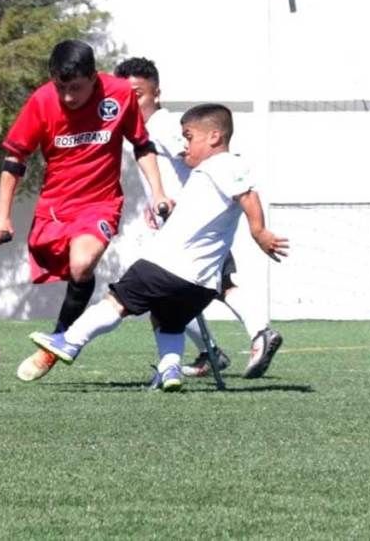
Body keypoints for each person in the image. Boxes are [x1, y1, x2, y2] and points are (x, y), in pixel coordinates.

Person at [25, 103, 290, 391]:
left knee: (116, 303)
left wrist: (259, 231)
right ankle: (169, 369)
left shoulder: (224, 163)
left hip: (165, 267)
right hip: (202, 285)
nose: (185, 145)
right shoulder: (209, 172)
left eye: (189, 137)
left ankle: (70, 340)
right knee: (169, 321)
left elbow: (247, 194)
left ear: (214, 137)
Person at [0, 40, 173, 382]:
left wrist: (157, 193)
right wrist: (2, 213)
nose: (69, 97)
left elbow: (141, 145)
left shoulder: (119, 94)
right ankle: (61, 338)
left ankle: (59, 340)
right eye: (62, 87)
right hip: (55, 207)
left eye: (76, 88)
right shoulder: (42, 101)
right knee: (66, 265)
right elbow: (15, 158)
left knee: (82, 263)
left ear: (94, 78)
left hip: (100, 203)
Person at [114, 57, 285, 379]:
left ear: (157, 93)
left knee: (220, 284)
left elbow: (198, 156)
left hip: (194, 227)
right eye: (123, 95)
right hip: (176, 228)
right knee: (168, 297)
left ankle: (259, 332)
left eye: (137, 94)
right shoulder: (140, 130)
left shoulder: (162, 127)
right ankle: (213, 353)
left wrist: (172, 198)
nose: (130, 101)